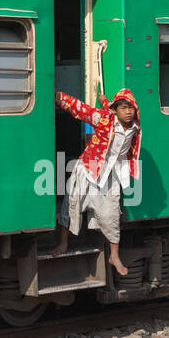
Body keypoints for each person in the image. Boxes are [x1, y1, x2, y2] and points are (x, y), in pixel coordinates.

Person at [51, 88, 141, 275]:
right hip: (87, 169)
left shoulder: (135, 128)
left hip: (110, 176)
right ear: (116, 110)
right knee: (71, 206)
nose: (128, 111)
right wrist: (59, 97)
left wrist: (106, 102)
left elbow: (110, 109)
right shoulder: (104, 119)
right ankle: (63, 243)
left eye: (131, 108)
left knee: (112, 215)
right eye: (123, 108)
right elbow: (81, 109)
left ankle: (114, 256)